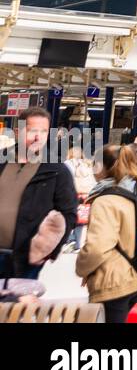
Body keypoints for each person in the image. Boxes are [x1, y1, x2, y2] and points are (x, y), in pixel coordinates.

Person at [75, 144, 137, 323]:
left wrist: (82, 268)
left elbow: (98, 247)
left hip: (114, 282)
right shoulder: (134, 191)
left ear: (102, 167)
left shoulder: (106, 200)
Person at [0, 107, 76, 280]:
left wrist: (48, 251)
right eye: (32, 130)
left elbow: (69, 214)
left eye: (43, 131)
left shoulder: (56, 170)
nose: (38, 137)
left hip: (24, 259)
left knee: (17, 306)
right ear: (18, 131)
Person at [64, 146, 96, 251]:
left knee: (69, 217)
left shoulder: (68, 163)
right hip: (87, 194)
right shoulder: (88, 163)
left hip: (73, 193)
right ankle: (80, 243)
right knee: (83, 219)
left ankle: (68, 239)